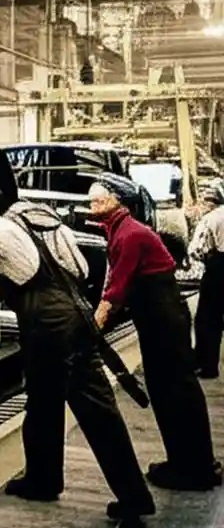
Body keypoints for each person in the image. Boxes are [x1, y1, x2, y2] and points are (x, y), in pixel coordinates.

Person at [0, 173, 155, 526]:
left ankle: (45, 480)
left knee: (47, 403)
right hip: (76, 312)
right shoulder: (34, 217)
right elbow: (80, 268)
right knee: (90, 407)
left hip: (47, 325)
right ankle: (124, 494)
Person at [89, 175, 222, 490]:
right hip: (158, 317)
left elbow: (115, 290)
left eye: (98, 199)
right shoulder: (121, 230)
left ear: (117, 201)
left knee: (176, 391)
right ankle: (187, 461)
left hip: (162, 317)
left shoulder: (130, 234)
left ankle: (195, 470)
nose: (91, 204)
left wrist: (91, 328)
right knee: (169, 391)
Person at [187, 182, 224, 378]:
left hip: (218, 268)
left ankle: (207, 366)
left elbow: (196, 249)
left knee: (209, 320)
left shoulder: (209, 219)